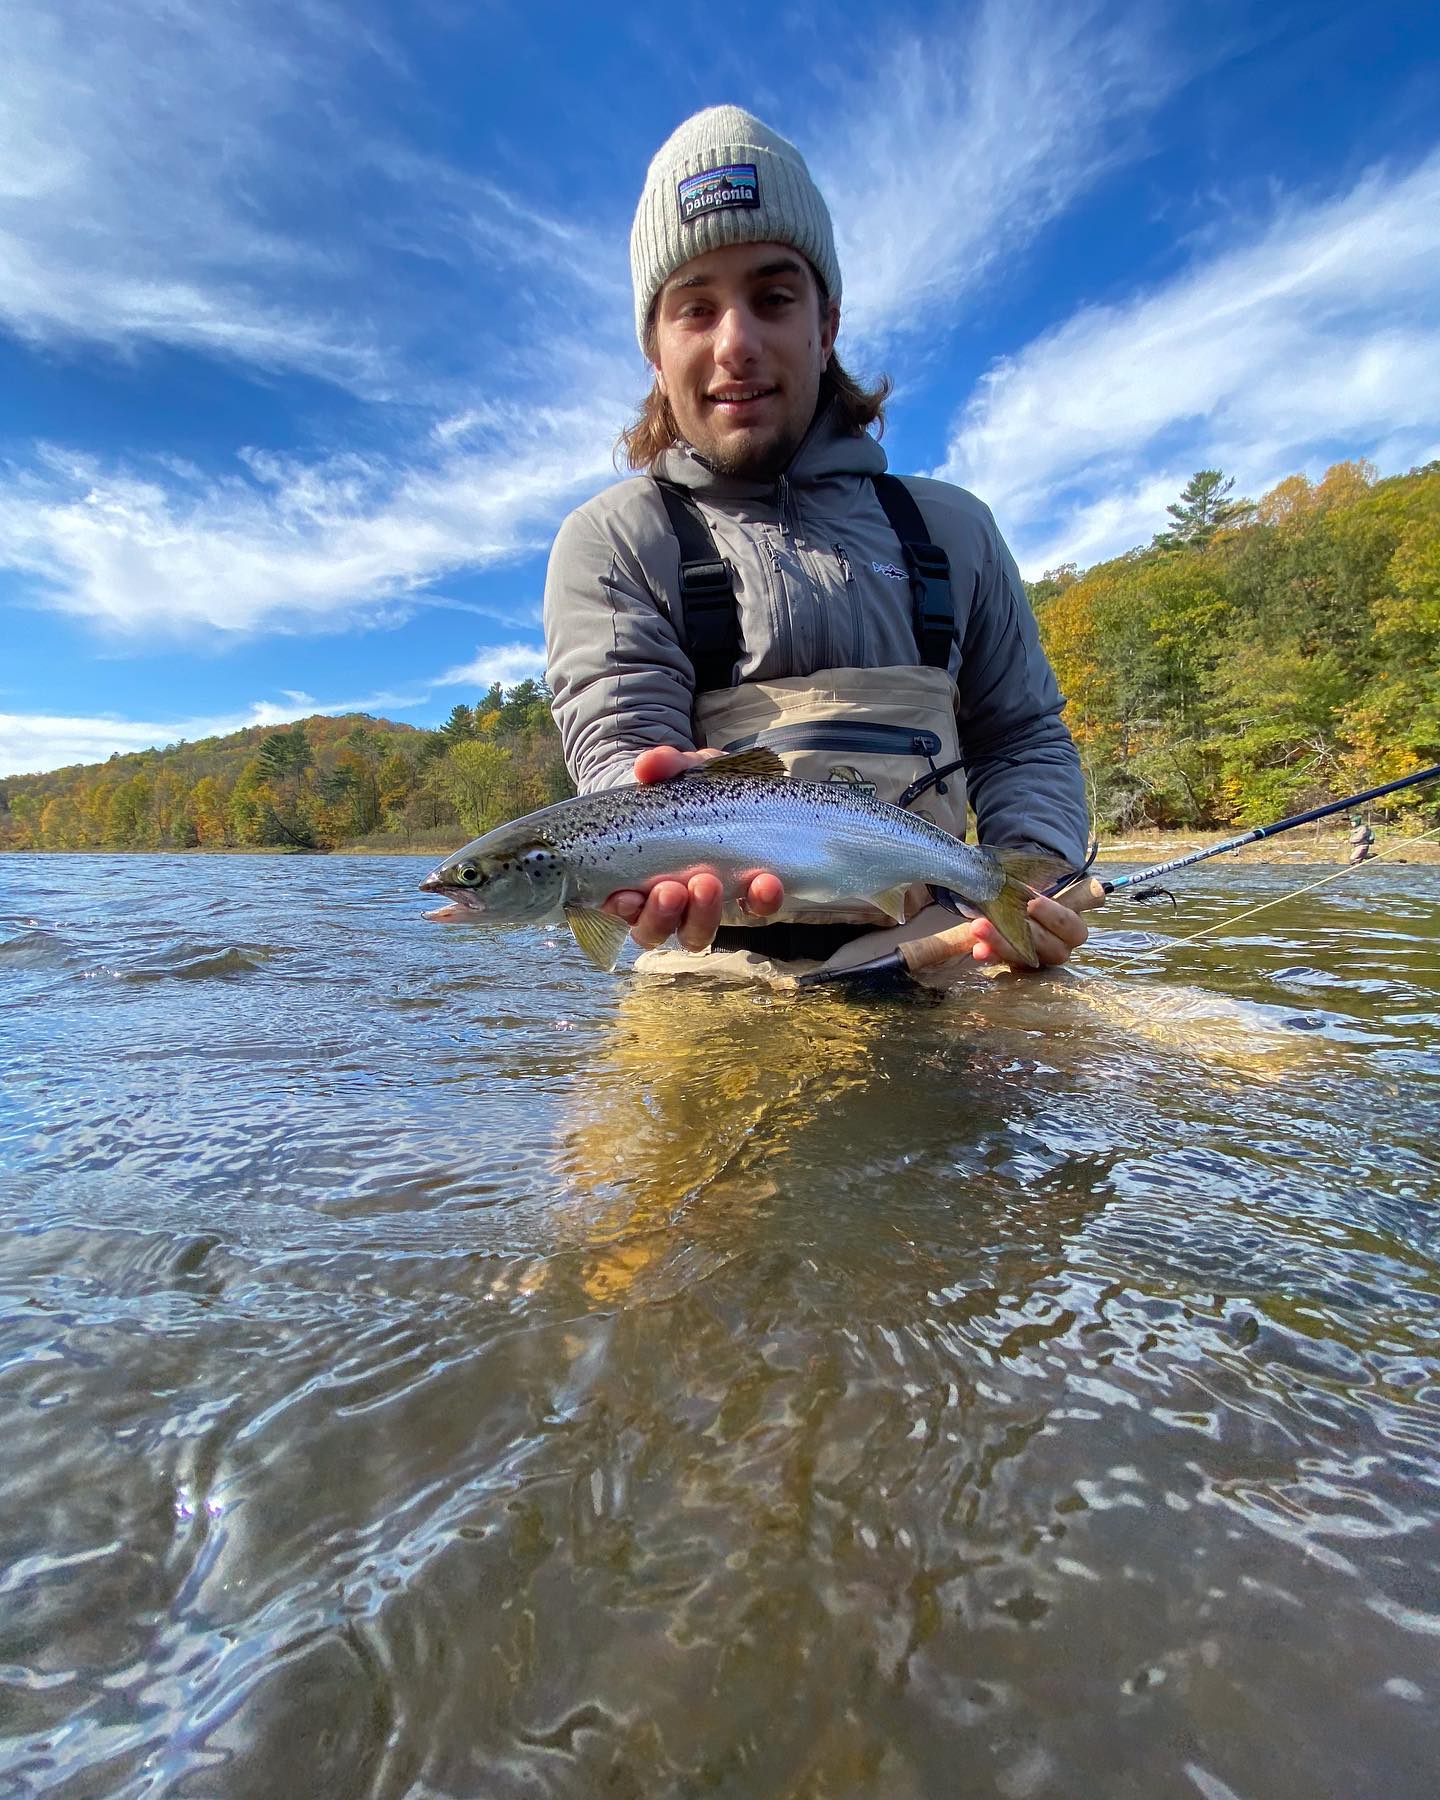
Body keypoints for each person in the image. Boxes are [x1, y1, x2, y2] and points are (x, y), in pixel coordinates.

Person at [542, 105, 1102, 983]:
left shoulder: (955, 529)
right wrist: (651, 801)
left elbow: (1023, 737)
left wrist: (1032, 879)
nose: (737, 343)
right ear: (655, 349)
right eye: (696, 309)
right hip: (705, 970)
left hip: (955, 948)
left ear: (826, 322)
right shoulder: (614, 539)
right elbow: (619, 738)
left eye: (771, 297)